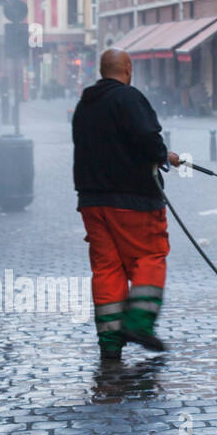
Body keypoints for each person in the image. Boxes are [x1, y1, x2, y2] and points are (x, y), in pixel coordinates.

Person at [72, 48, 180, 359]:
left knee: (107, 269)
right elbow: (146, 137)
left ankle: (110, 342)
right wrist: (163, 155)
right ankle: (139, 324)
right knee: (149, 256)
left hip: (92, 201)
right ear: (128, 69)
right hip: (133, 199)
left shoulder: (85, 104)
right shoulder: (129, 98)